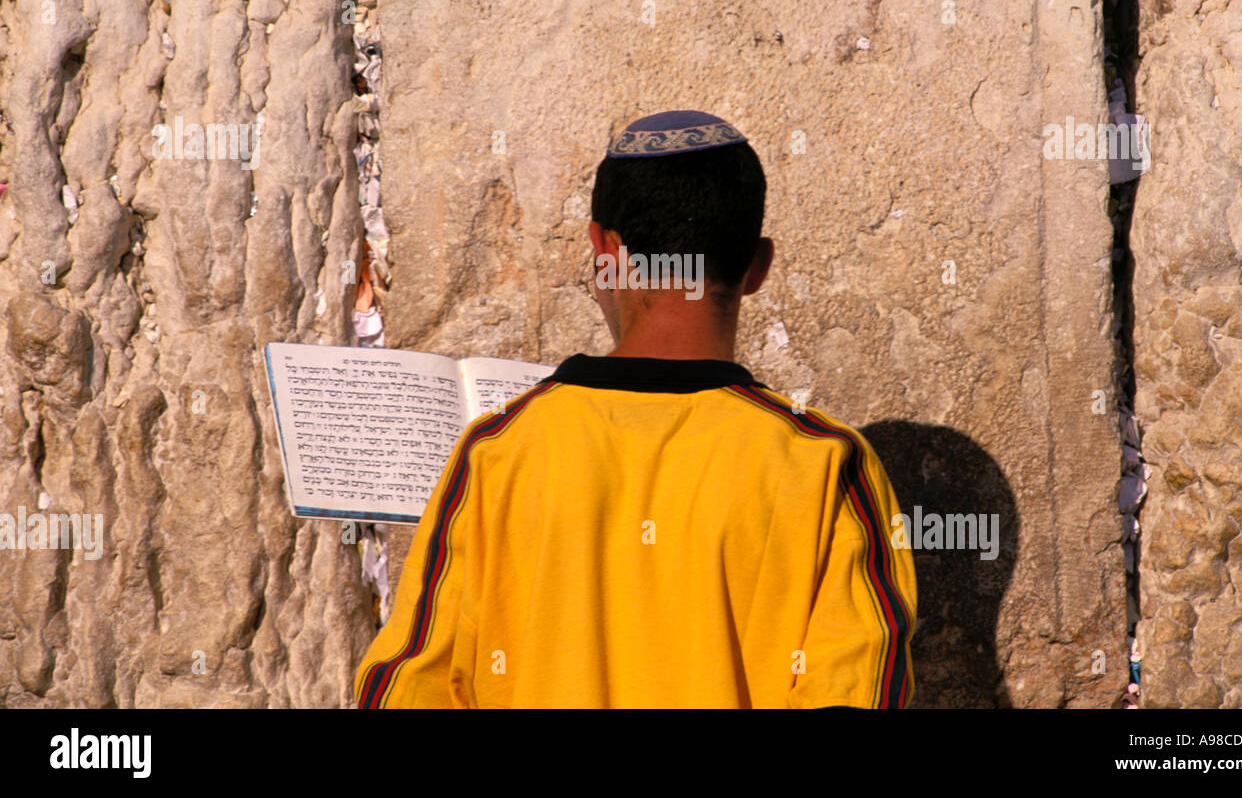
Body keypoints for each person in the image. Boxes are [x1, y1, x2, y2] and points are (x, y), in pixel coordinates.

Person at [354, 110, 916, 708]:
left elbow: (408, 689)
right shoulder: (827, 466)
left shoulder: (497, 454)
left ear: (605, 249)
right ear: (756, 266)